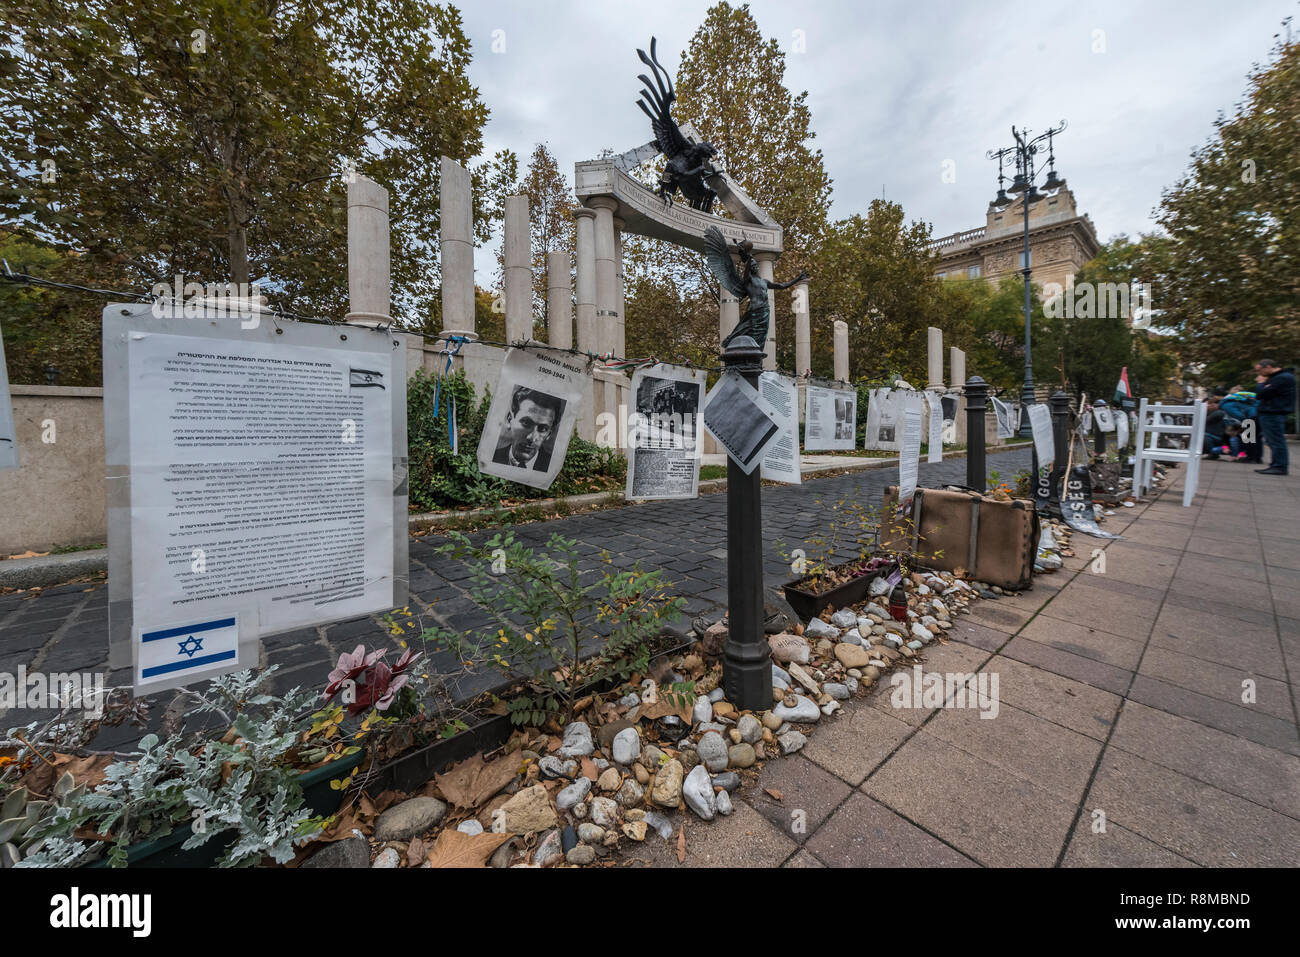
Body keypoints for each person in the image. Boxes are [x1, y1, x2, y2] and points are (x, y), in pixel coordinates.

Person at [492, 387, 562, 471]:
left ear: (549, 434)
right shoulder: (492, 457)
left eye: (542, 429)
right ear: (509, 420)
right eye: (526, 423)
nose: (531, 437)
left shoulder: (553, 469)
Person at [1253, 358, 1295, 475]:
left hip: (1273, 413)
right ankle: (1276, 464)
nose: (1259, 374)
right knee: (1272, 441)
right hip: (1271, 412)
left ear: (1268, 367)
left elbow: (1261, 394)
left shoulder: (1282, 378)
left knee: (1276, 441)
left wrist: (1261, 383)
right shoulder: (1278, 378)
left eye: (1259, 371)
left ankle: (1279, 466)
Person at [1219, 385, 1259, 460]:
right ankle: (1252, 457)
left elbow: (1237, 415)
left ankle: (1247, 456)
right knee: (1252, 439)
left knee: (1247, 438)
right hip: (1254, 416)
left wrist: (1243, 420)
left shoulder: (1227, 404)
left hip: (1247, 419)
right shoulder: (1245, 400)